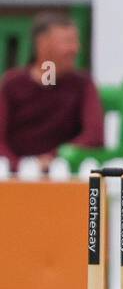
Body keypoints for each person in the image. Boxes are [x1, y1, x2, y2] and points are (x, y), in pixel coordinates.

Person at [0, 11, 104, 171]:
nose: (75, 49)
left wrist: (54, 158)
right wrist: (19, 166)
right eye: (67, 42)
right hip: (13, 177)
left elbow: (94, 135)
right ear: (42, 43)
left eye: (76, 41)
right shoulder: (12, 84)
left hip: (65, 174)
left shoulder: (82, 84)